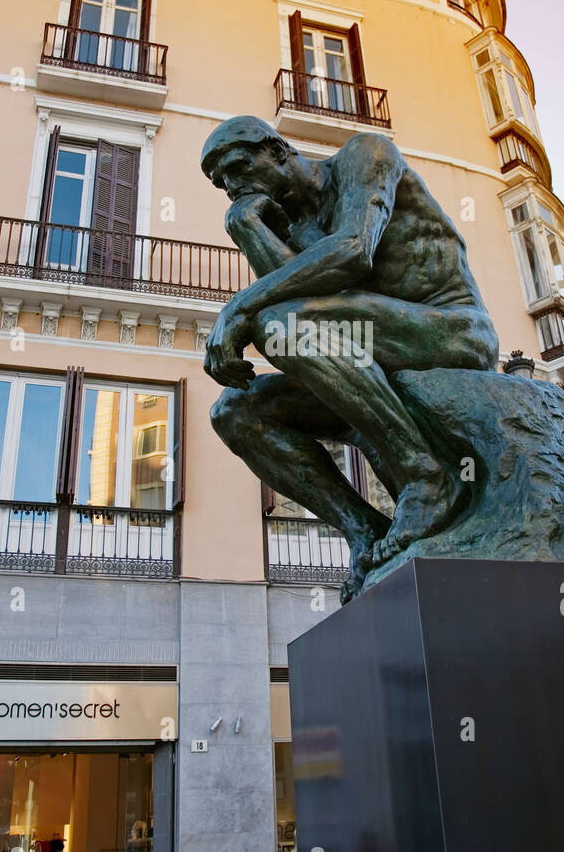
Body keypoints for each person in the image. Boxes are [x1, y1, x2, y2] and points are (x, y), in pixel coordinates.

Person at [200, 117, 498, 602]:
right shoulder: (286, 226)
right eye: (222, 184)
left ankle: (427, 477)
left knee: (279, 325)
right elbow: (308, 293)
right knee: (236, 411)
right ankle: (363, 530)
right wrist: (247, 226)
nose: (232, 187)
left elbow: (352, 253)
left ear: (276, 150)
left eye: (236, 168)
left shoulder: (365, 155)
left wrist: (240, 305)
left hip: (450, 330)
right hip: (370, 343)